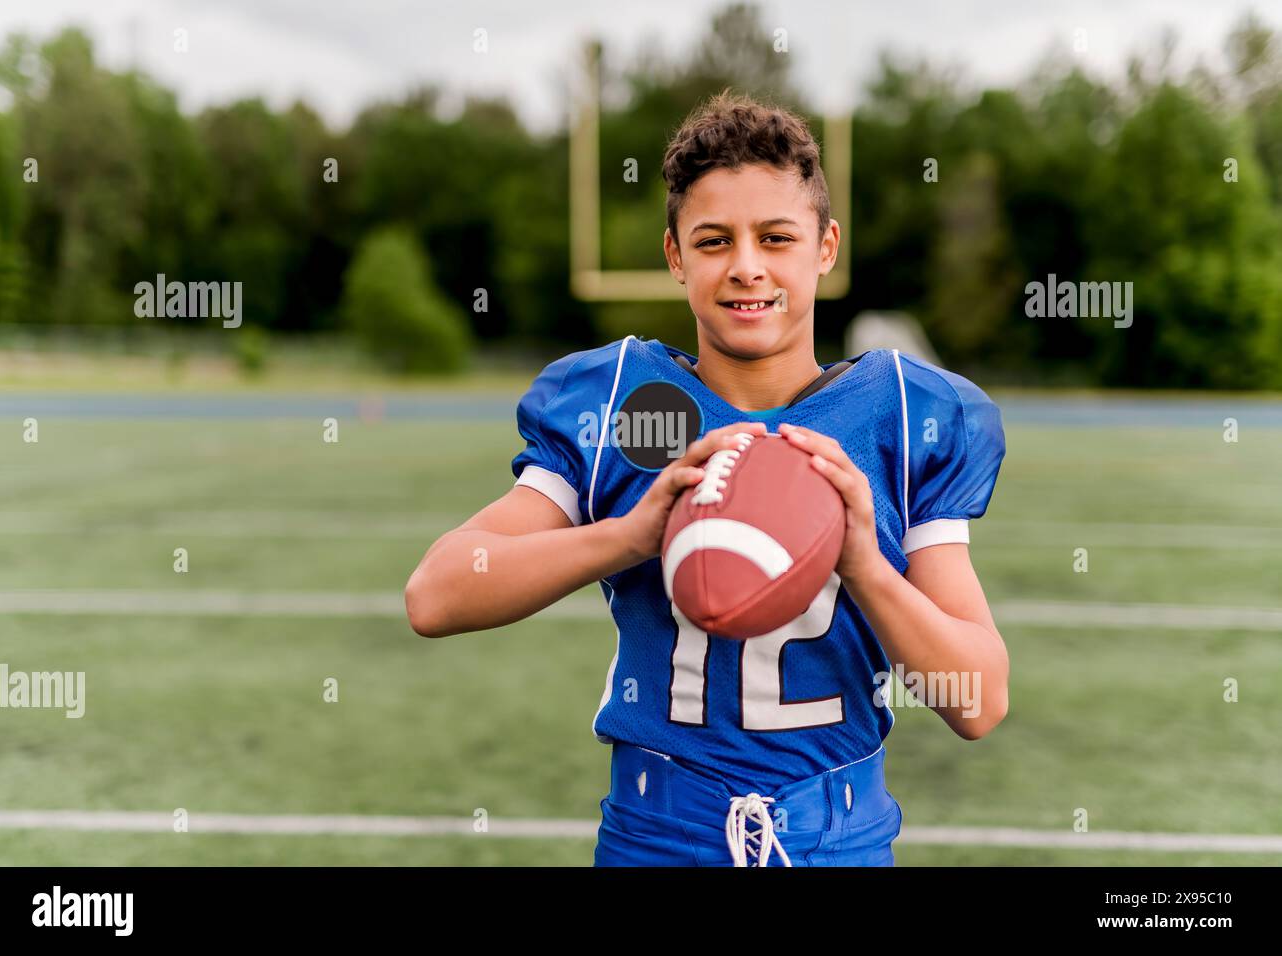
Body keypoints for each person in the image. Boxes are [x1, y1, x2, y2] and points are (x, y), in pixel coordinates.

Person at [405, 90, 1008, 867]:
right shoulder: (631, 404)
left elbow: (979, 702)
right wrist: (628, 535)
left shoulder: (900, 414)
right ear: (675, 255)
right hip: (655, 836)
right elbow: (436, 594)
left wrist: (862, 564)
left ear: (825, 247)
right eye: (715, 240)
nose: (747, 266)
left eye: (776, 237)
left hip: (838, 841)